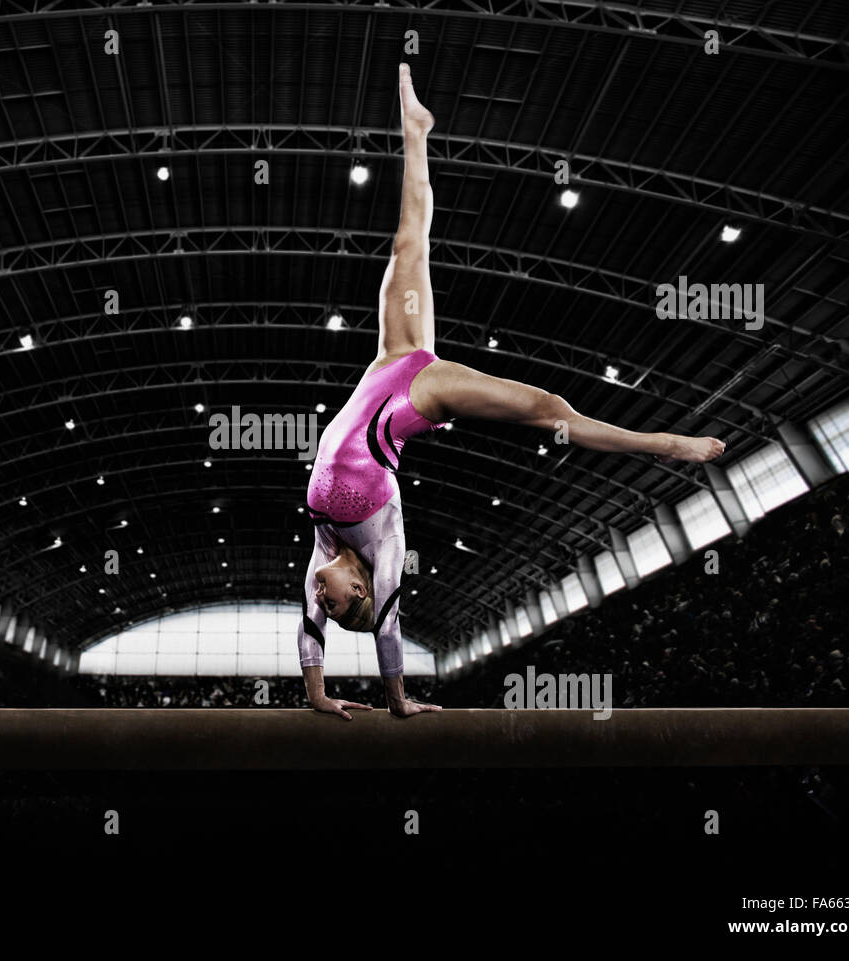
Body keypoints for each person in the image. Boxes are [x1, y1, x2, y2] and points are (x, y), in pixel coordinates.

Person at [298, 64, 726, 720]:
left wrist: (319, 693)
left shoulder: (324, 548)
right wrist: (397, 699)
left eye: (325, 602)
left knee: (410, 239)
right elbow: (386, 628)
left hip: (392, 360)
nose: (320, 599)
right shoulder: (381, 554)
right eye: (334, 602)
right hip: (421, 395)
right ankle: (665, 444)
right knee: (547, 411)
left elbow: (310, 634)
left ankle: (415, 132)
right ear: (361, 584)